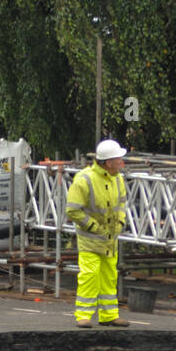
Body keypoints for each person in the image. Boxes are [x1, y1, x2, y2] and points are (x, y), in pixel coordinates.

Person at [66, 138, 130, 327]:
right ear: (109, 163)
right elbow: (73, 210)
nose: (122, 163)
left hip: (109, 239)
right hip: (91, 240)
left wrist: (120, 222)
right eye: (119, 160)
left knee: (109, 276)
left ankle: (109, 314)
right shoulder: (84, 179)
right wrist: (94, 227)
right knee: (89, 276)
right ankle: (83, 316)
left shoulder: (117, 178)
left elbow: (121, 204)